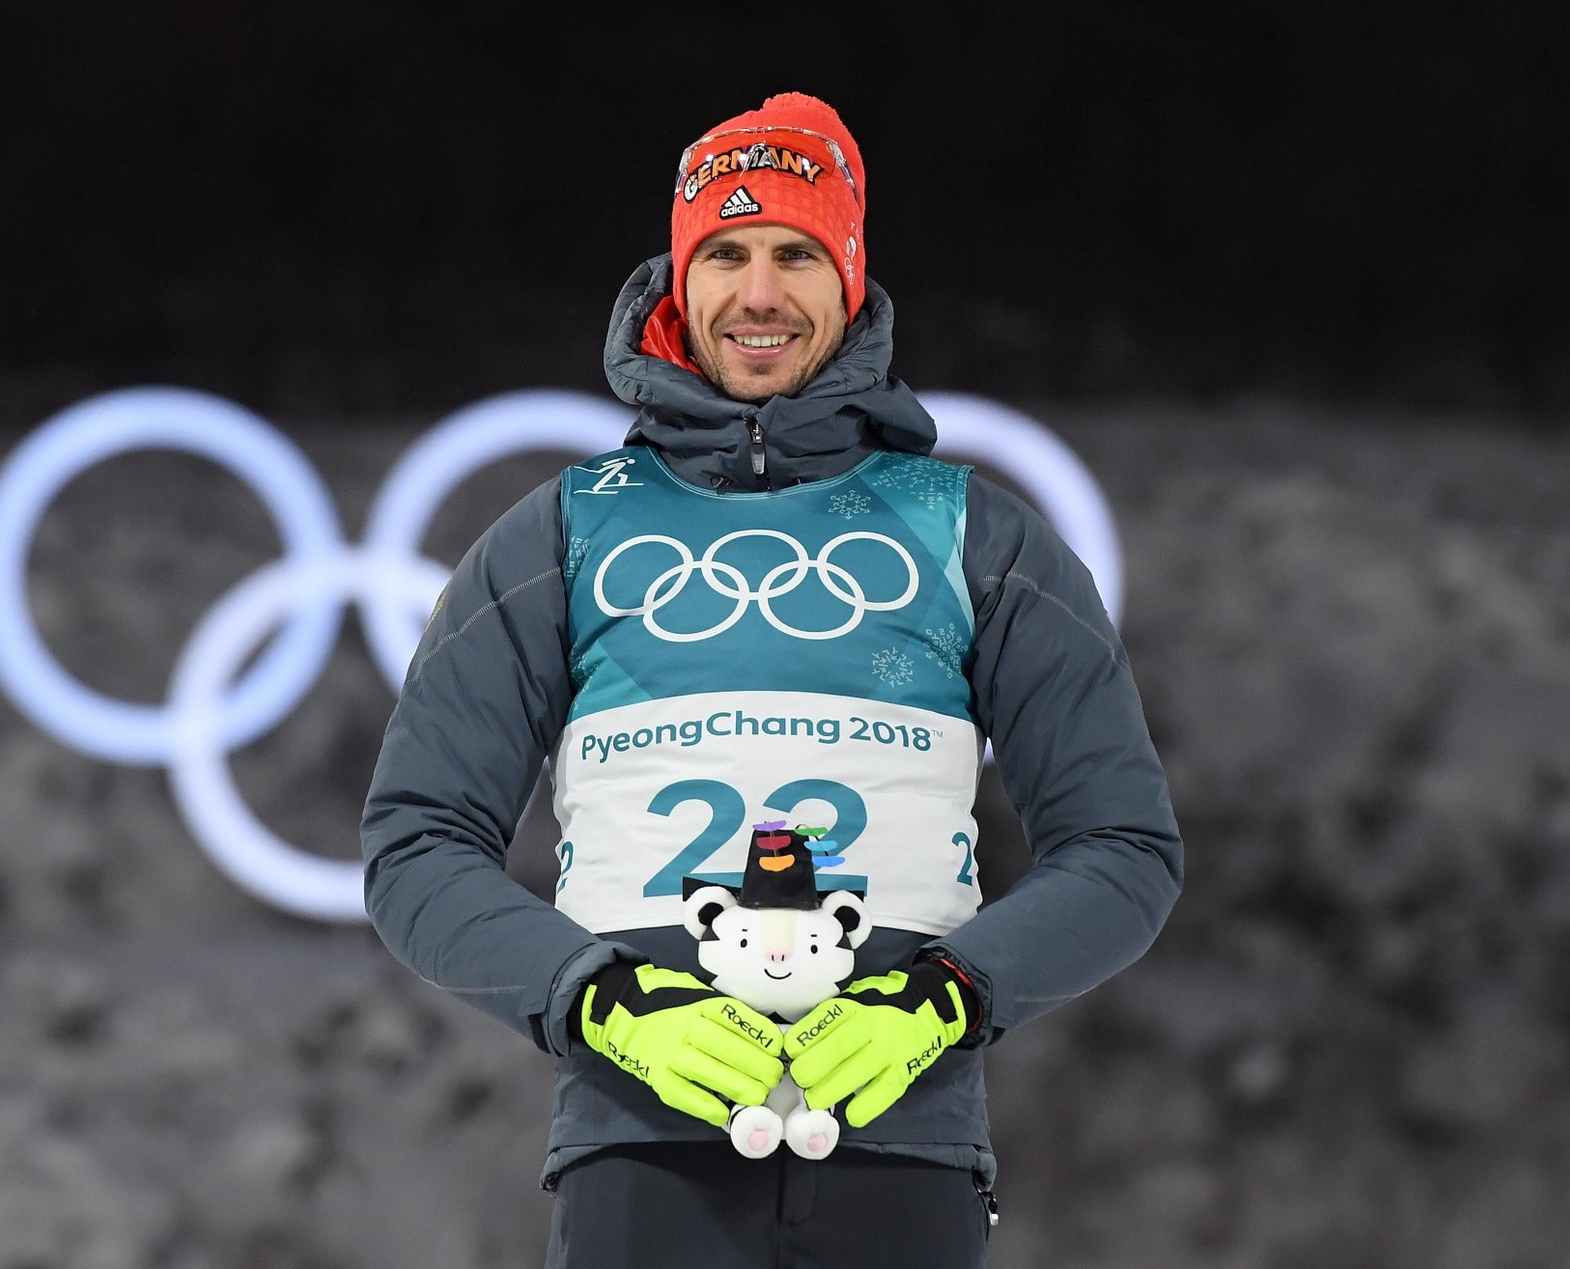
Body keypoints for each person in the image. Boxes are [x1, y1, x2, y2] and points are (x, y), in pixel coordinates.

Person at [362, 91, 1182, 1268]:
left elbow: (1125, 850)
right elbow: (415, 844)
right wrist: (596, 999)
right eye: (728, 253)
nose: (759, 294)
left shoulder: (976, 537)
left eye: (797, 252)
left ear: (849, 278)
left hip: (903, 1149)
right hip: (640, 1149)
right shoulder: (559, 534)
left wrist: (946, 995)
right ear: (677, 281)